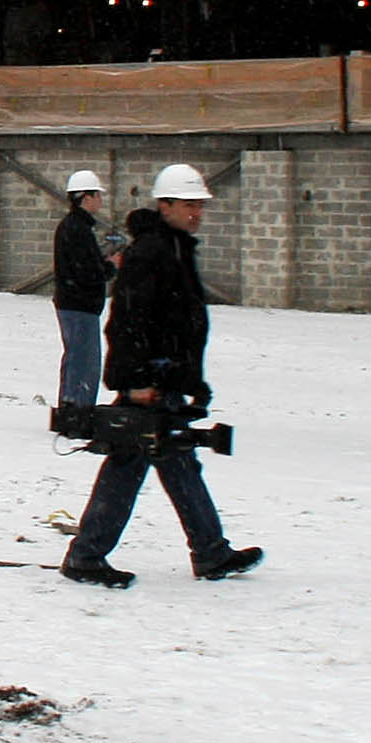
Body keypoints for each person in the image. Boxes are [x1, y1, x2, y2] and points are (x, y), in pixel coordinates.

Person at [62, 162, 263, 589]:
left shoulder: (175, 249)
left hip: (166, 380)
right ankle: (90, 555)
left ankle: (206, 552)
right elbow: (126, 322)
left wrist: (192, 382)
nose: (196, 213)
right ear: (165, 204)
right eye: (188, 204)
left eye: (199, 205)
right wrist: (133, 382)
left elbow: (184, 324)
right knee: (140, 464)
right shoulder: (150, 253)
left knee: (167, 463)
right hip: (150, 383)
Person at [50, 169, 114, 412]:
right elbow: (87, 272)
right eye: (98, 195)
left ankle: (72, 408)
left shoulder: (72, 226)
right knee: (84, 362)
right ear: (86, 197)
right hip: (79, 306)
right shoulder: (78, 229)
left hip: (73, 303)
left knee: (77, 358)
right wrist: (110, 267)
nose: (100, 200)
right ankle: (76, 412)